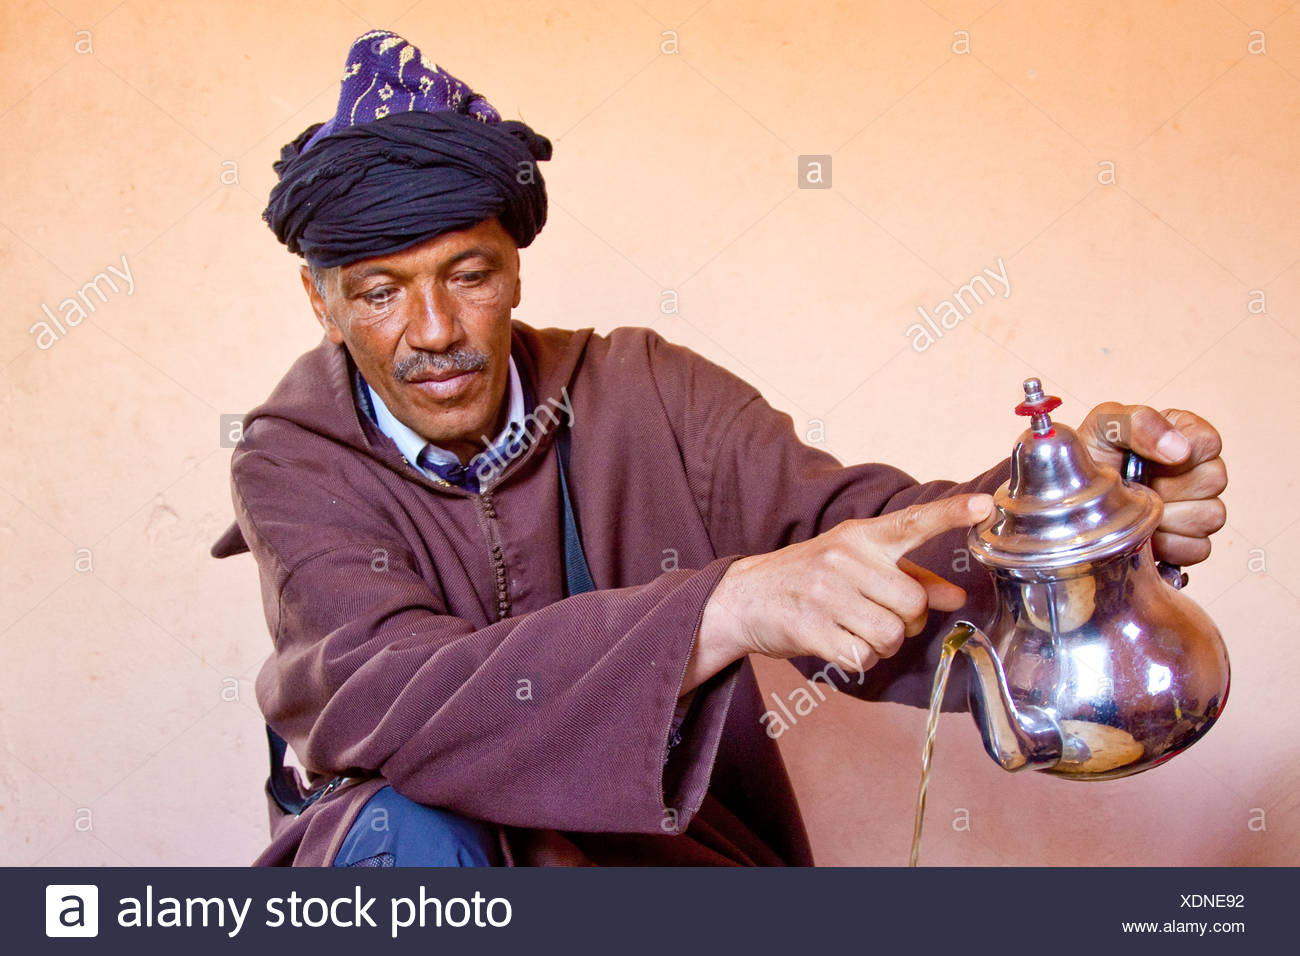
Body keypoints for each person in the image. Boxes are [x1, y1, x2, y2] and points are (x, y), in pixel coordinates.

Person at [211, 30, 1228, 867]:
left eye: (467, 273)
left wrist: (1068, 519)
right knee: (405, 835)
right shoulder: (291, 461)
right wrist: (722, 603)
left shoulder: (645, 388)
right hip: (425, 865)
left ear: (515, 267)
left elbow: (860, 537)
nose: (432, 330)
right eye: (381, 292)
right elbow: (393, 696)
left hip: (673, 863)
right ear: (322, 301)